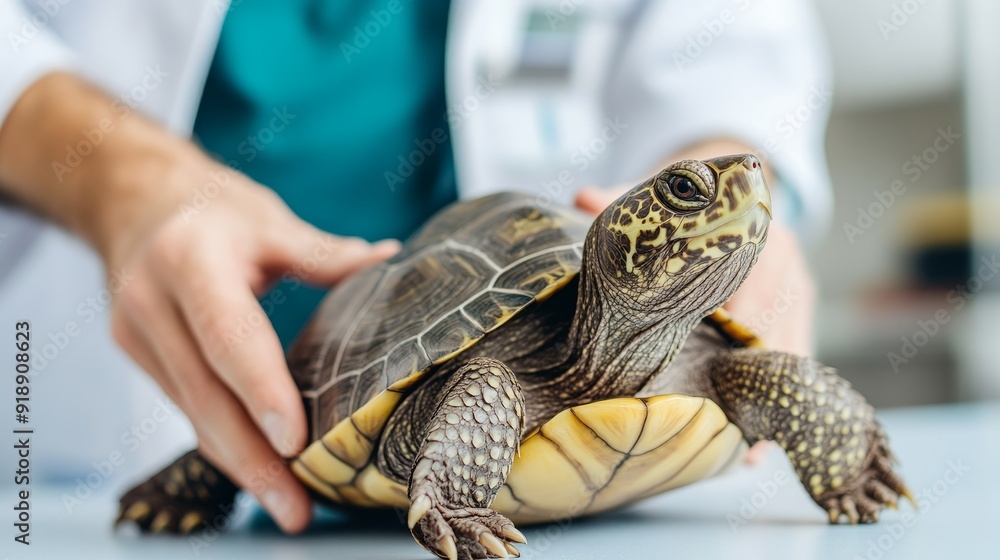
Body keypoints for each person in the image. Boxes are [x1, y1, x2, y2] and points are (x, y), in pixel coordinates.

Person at [0, 0, 830, 533]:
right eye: (687, 196)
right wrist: (119, 178)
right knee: (266, 438)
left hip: (575, 280)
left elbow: (738, 49)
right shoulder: (494, 382)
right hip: (100, 408)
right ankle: (215, 464)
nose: (738, 196)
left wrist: (726, 151)